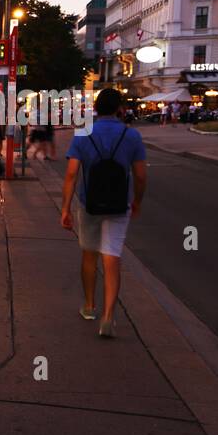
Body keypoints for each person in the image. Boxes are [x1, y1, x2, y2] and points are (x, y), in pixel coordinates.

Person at [60, 87, 148, 338]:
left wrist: (65, 208)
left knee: (89, 255)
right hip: (120, 205)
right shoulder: (131, 136)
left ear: (95, 108)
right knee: (112, 257)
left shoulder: (83, 132)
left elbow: (71, 174)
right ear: (120, 109)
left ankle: (89, 306)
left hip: (90, 204)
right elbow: (141, 175)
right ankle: (109, 316)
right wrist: (137, 201)